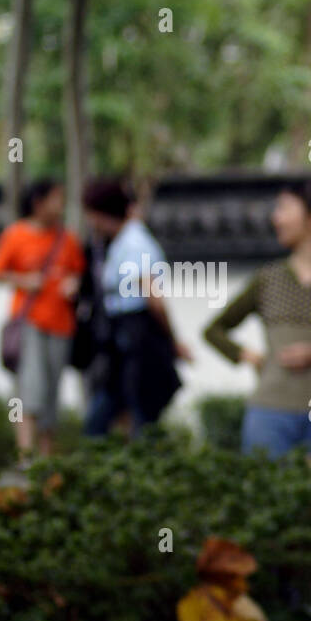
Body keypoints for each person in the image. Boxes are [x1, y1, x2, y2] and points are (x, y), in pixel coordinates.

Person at [203, 181, 311, 463]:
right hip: (270, 408)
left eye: (284, 208)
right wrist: (249, 357)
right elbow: (214, 330)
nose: (276, 218)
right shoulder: (268, 279)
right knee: (264, 492)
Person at [81, 179, 189, 437]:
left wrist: (172, 339)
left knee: (134, 408)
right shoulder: (119, 242)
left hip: (137, 336)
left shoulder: (135, 242)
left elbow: (153, 297)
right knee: (118, 406)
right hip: (123, 337)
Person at [0, 179, 85, 458]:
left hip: (62, 325)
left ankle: (46, 458)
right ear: (38, 203)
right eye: (56, 198)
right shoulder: (16, 235)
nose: (61, 205)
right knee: (30, 389)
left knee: (52, 392)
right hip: (30, 323)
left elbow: (79, 271)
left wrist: (73, 284)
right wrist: (23, 280)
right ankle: (25, 457)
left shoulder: (67, 238)